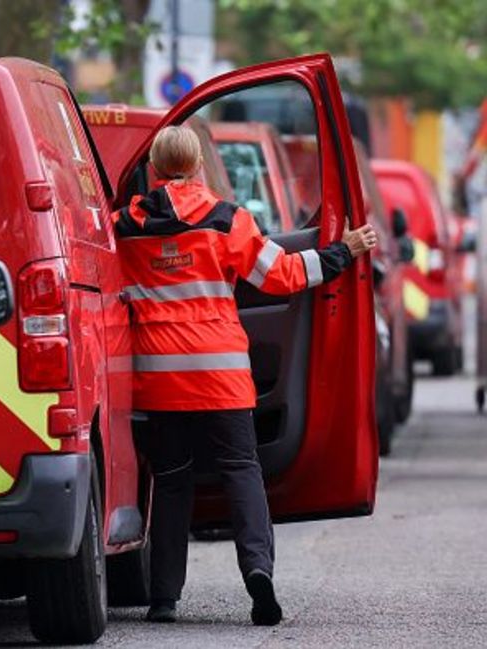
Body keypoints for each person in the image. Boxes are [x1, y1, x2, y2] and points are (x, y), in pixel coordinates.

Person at [111, 126, 377, 627]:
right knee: (241, 472)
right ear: (197, 167)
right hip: (220, 378)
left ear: (152, 170)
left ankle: (164, 598)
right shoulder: (227, 219)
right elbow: (282, 276)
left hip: (160, 380)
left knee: (170, 483)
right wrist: (342, 251)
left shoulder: (123, 227)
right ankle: (258, 572)